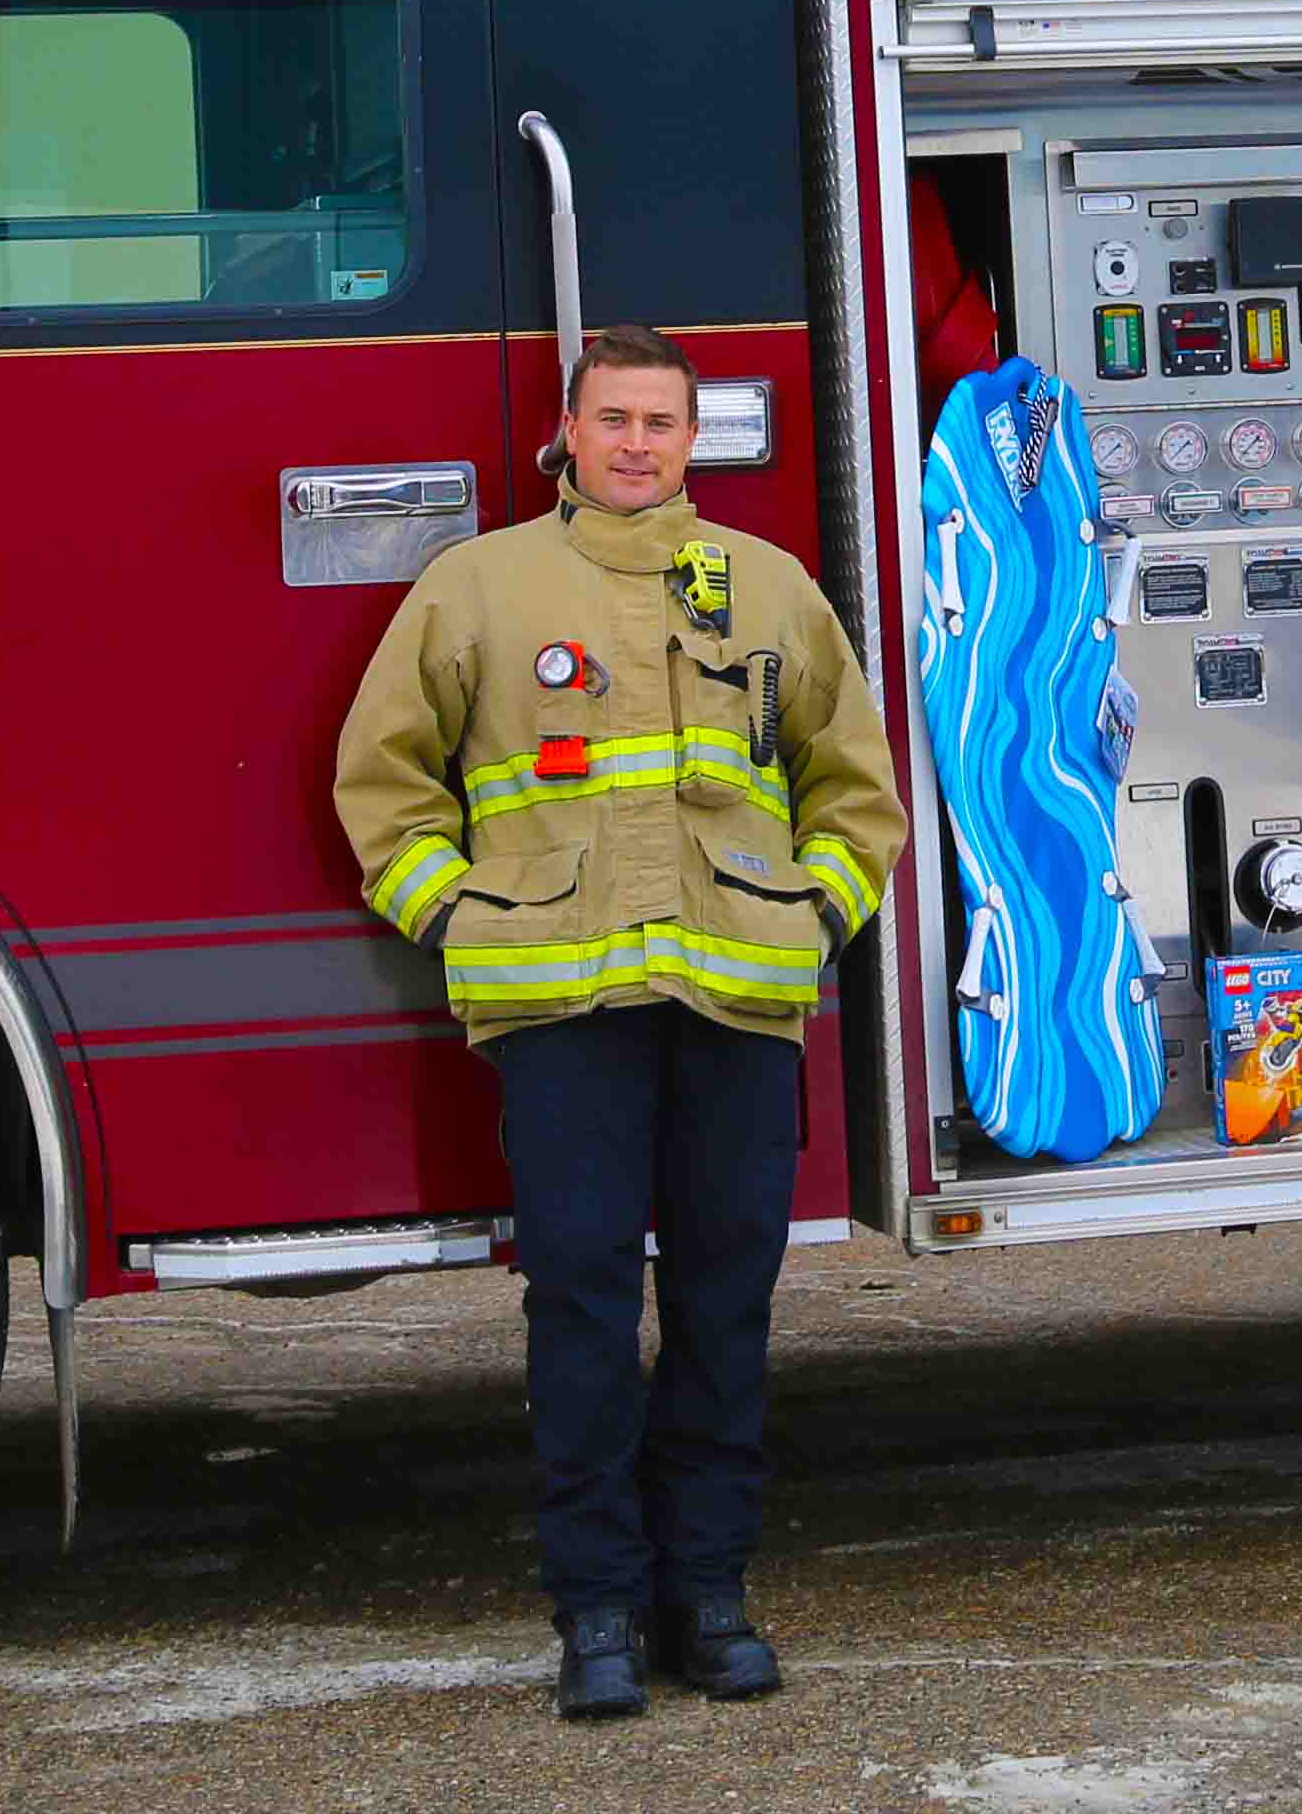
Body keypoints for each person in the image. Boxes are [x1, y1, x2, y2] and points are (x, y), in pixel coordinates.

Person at [332, 323, 905, 1719]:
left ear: (691, 437)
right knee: (579, 1311)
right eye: (614, 419)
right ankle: (593, 1612)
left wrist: (818, 916)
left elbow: (857, 791)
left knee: (726, 1311)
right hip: (562, 1008)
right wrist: (457, 915)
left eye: (661, 420)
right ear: (569, 432)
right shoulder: (479, 587)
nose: (638, 443)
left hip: (735, 1002)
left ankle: (708, 1599)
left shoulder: (768, 591)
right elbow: (382, 780)